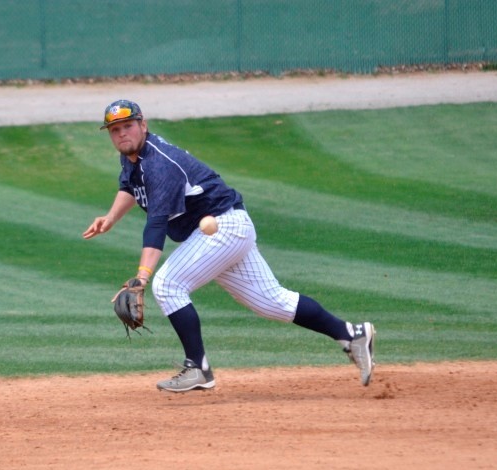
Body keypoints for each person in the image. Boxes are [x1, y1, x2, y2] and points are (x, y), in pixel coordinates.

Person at [83, 99, 376, 392]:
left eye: (128, 126)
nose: (121, 134)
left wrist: (142, 277)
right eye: (115, 129)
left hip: (224, 228)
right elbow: (130, 187)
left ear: (143, 125)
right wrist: (110, 218)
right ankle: (352, 334)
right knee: (272, 302)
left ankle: (198, 367)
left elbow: (157, 226)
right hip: (222, 230)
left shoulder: (160, 164)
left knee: (167, 285)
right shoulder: (132, 155)